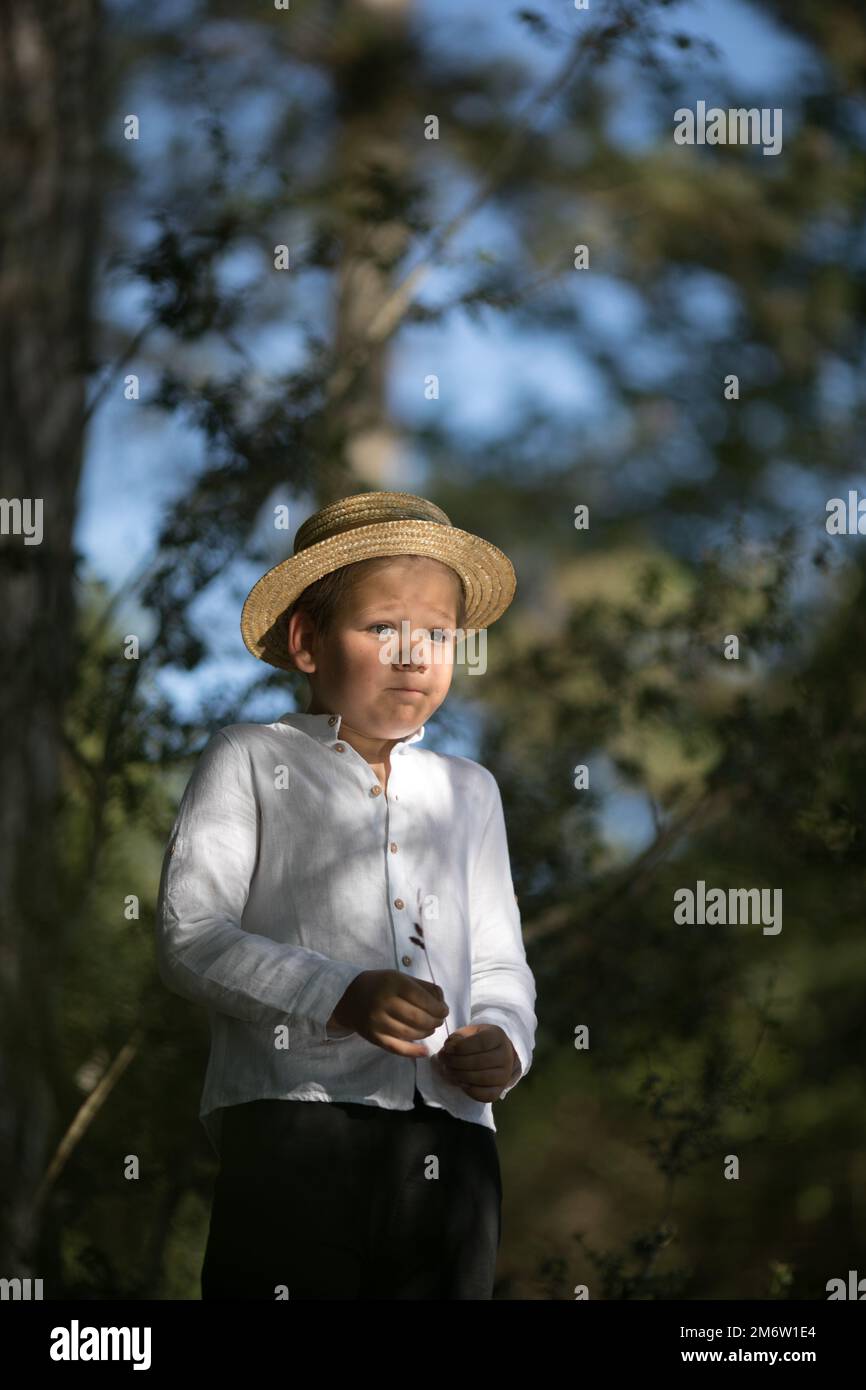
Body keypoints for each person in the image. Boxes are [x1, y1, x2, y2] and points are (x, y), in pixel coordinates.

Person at [155, 489, 537, 1299]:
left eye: (437, 634)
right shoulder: (249, 758)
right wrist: (341, 994)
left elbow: (502, 965)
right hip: (293, 1125)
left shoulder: (471, 791)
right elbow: (192, 936)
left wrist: (506, 1038)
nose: (413, 655)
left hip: (454, 1141)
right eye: (381, 629)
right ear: (306, 641)